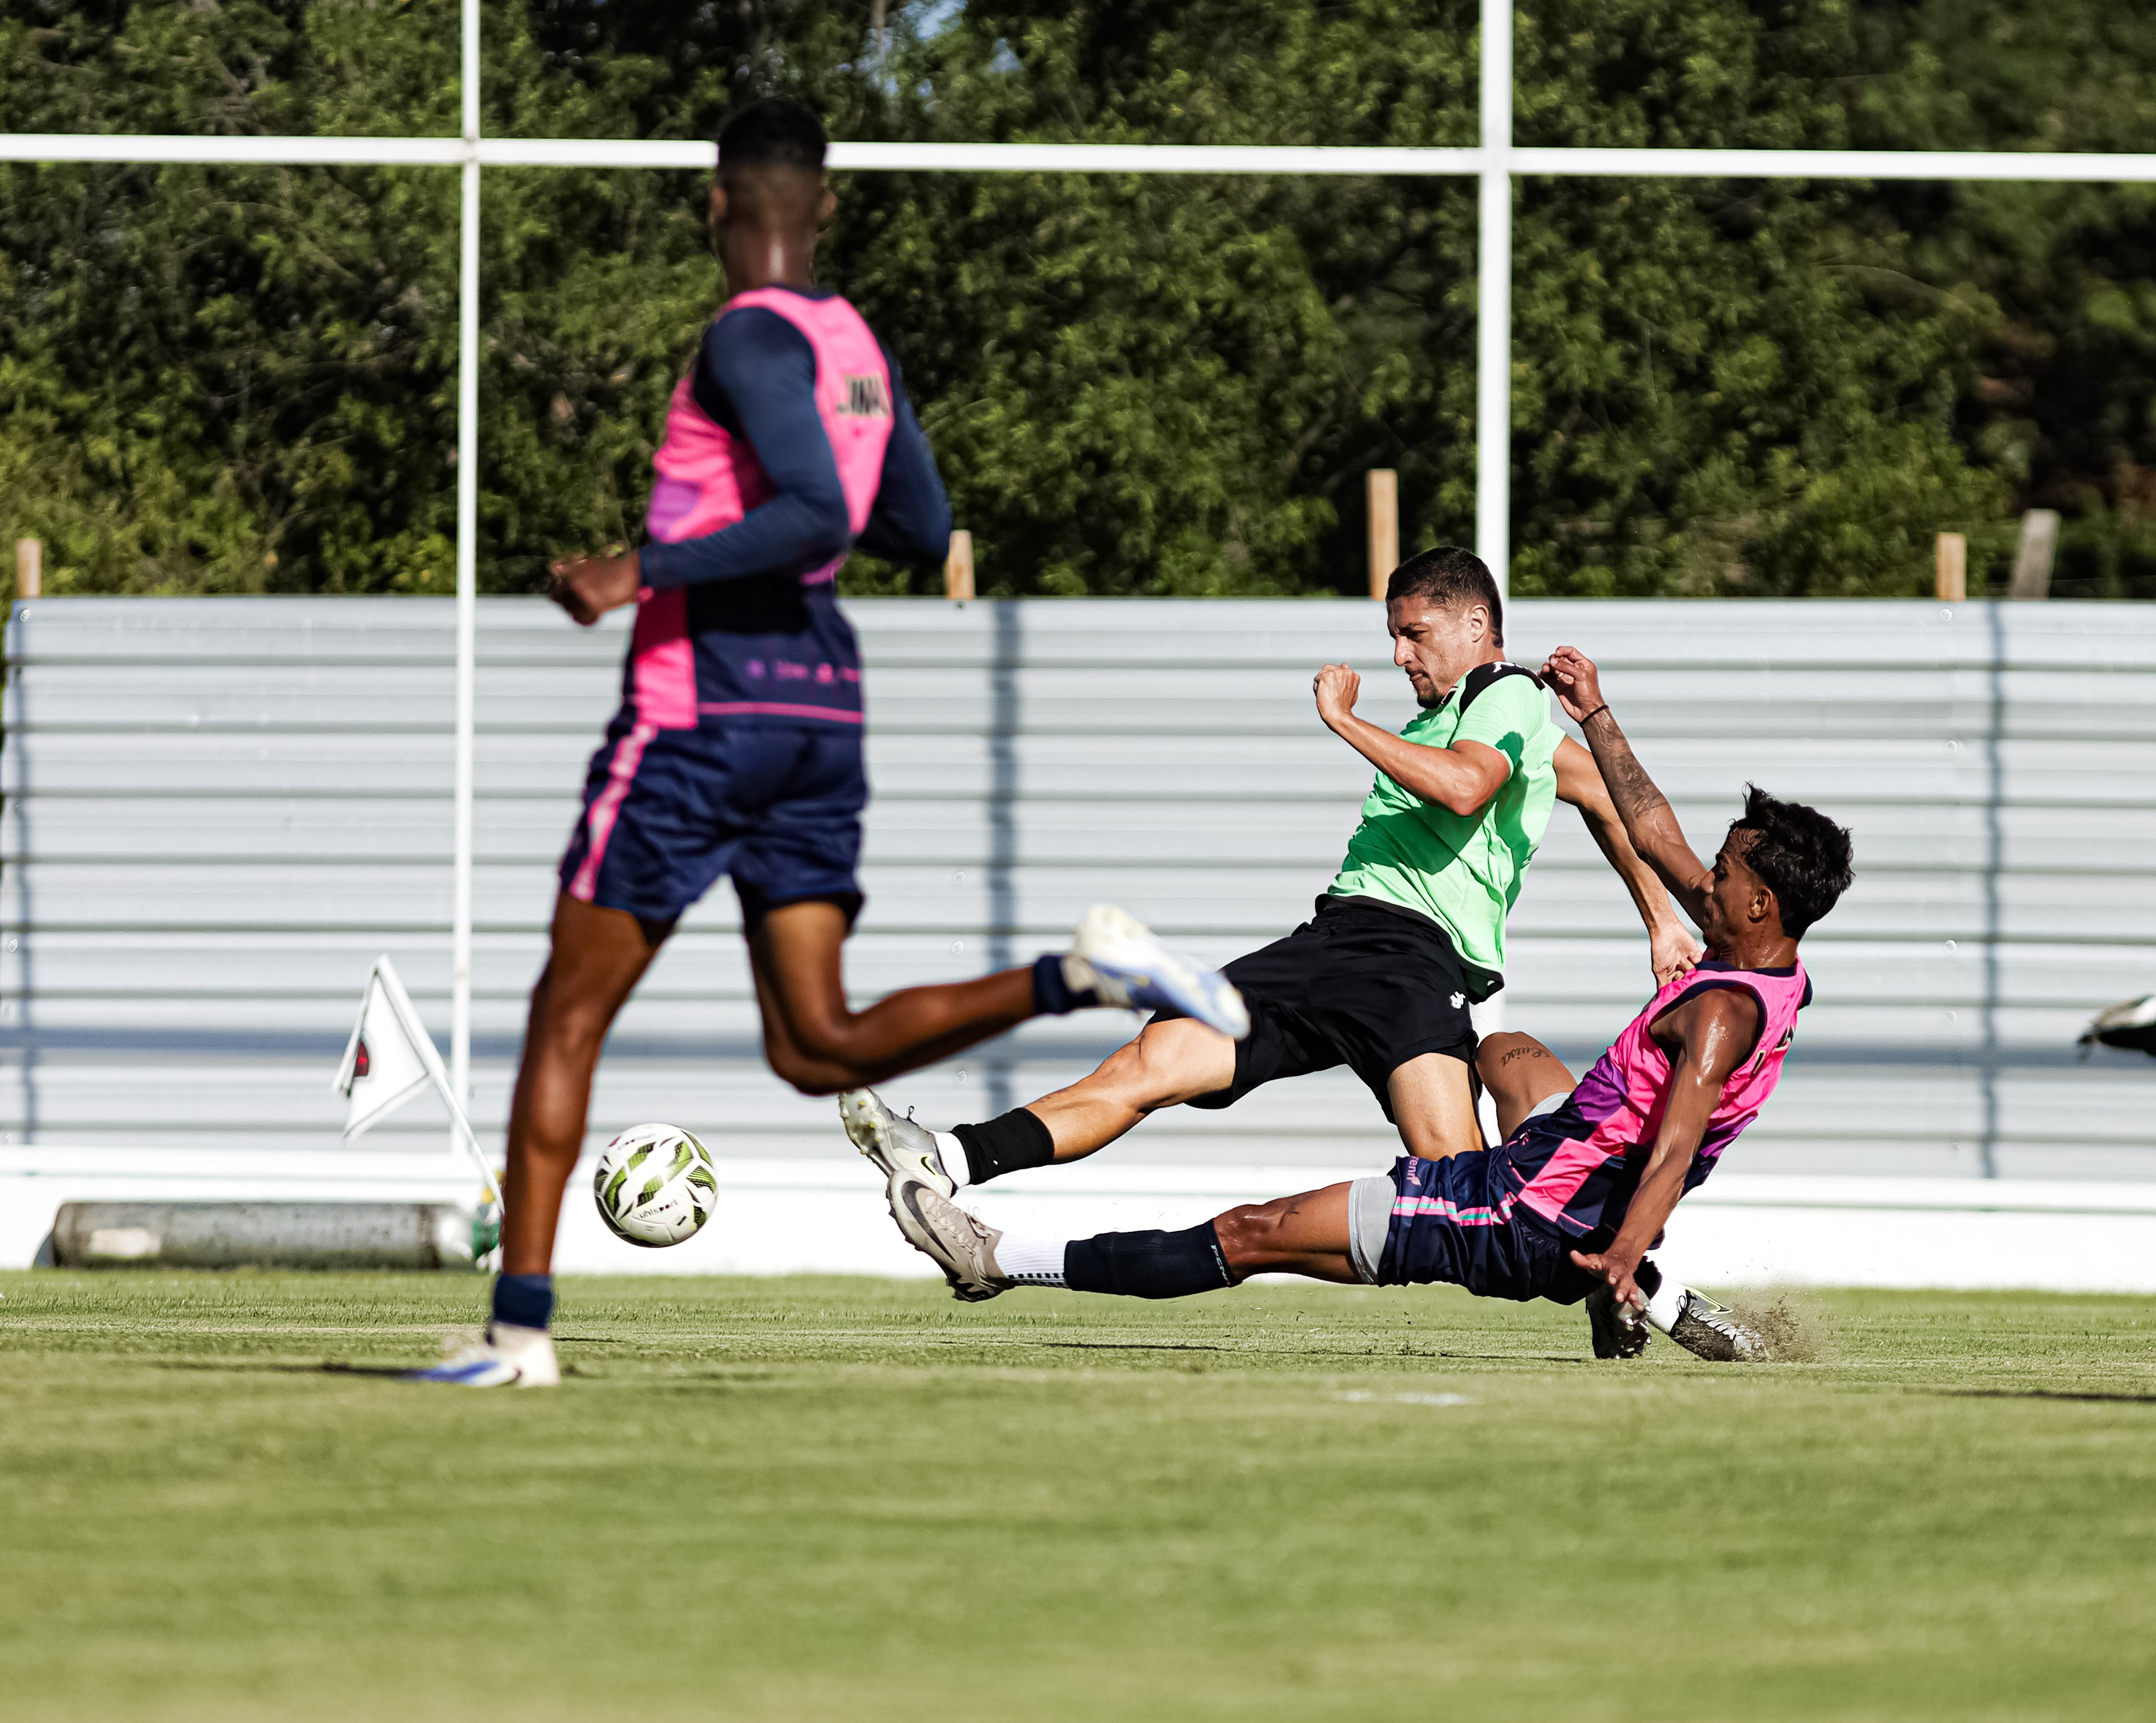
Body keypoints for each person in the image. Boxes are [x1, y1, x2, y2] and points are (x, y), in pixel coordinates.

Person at [419, 100, 1245, 1387]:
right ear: (829, 207)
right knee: (815, 1046)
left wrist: (630, 568)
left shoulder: (744, 339)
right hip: (821, 716)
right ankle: (1081, 975)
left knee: (562, 1018)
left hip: (702, 713)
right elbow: (916, 524)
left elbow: (812, 511)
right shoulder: (855, 343)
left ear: (716, 207)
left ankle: (516, 1334)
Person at [869, 644, 1855, 1364]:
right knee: (1506, 1050)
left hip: (1509, 1212)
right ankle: (1627, 1276)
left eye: (1720, 871)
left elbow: (1675, 1150)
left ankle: (999, 1256)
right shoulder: (1772, 967)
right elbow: (1647, 826)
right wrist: (1596, 715)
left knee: (1254, 1232)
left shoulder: (1719, 1014)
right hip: (1557, 1172)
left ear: (1758, 901)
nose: (1703, 876)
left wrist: (1625, 1259)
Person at [841, 547, 1700, 1206]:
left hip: (1407, 958)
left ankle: (1633, 1275)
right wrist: (1658, 919)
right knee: (1154, 1060)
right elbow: (1601, 801)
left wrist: (1342, 720)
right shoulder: (1478, 725)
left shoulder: (1505, 693)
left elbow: (1466, 790)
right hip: (1336, 945)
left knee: (1461, 1195)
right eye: (1393, 636)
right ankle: (947, 1159)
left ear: (1476, 625)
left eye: (1415, 633)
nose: (1401, 653)